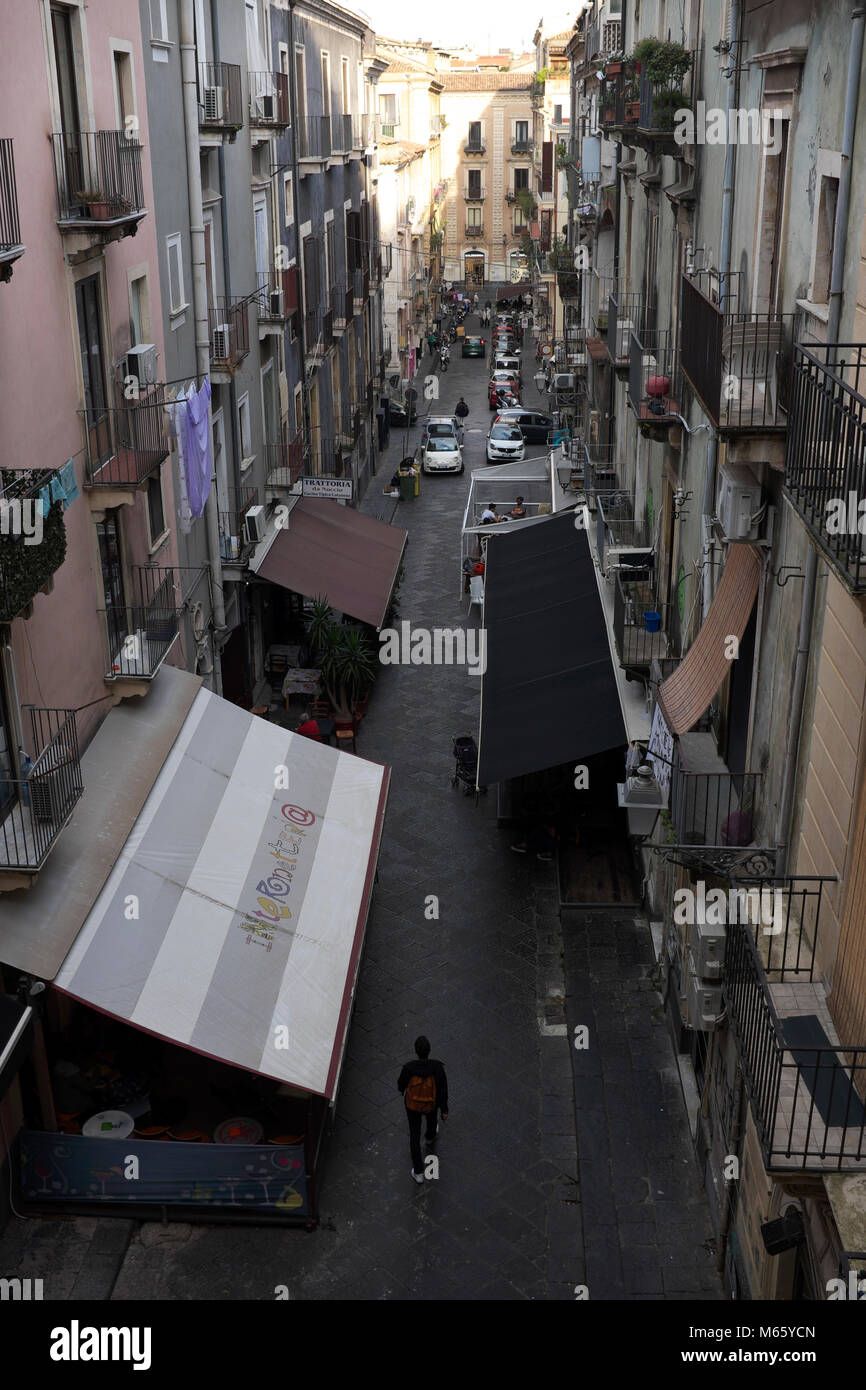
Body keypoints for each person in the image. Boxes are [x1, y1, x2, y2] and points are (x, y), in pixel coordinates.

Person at [398, 1035, 449, 1183]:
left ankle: (419, 1172)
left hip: (412, 1106)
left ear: (416, 1051)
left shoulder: (408, 1068)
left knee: (414, 1135)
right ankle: (430, 1136)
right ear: (429, 1051)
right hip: (430, 1104)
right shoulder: (437, 1068)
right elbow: (443, 1091)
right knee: (432, 1118)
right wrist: (444, 1109)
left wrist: (403, 1090)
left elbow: (401, 1084)